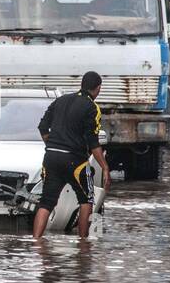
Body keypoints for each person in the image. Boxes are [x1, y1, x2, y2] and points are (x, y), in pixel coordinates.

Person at [33, 70, 111, 239]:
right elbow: (93, 142)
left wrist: (53, 145)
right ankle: (83, 244)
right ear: (98, 89)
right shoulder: (92, 108)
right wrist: (105, 168)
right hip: (75, 161)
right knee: (86, 199)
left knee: (46, 202)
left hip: (51, 158)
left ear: (81, 84)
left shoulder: (60, 100)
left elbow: (42, 128)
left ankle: (36, 243)